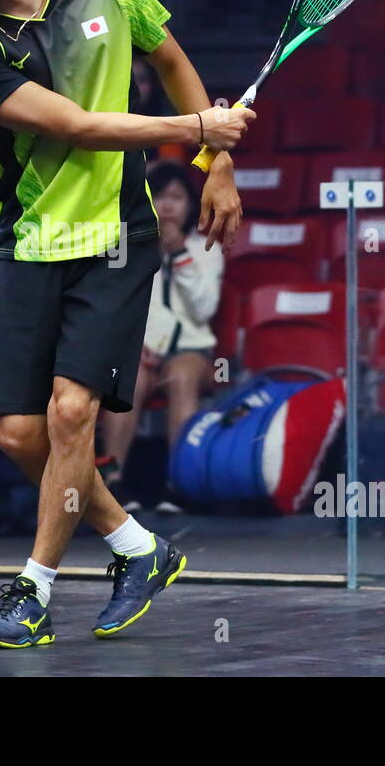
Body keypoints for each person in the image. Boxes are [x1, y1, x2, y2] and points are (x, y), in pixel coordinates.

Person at [0, 0, 251, 647]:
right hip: (30, 243)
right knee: (17, 435)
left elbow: (168, 58)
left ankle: (30, 594)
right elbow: (75, 125)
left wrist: (219, 165)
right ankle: (139, 548)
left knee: (72, 413)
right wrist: (196, 131)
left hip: (117, 238)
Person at [99, 161, 225, 514]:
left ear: (191, 205)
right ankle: (113, 480)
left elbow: (204, 308)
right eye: (160, 197)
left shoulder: (206, 248)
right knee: (130, 380)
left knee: (180, 376)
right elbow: (112, 301)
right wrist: (134, 346)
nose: (168, 206)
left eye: (178, 197)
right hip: (137, 348)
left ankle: (180, 481)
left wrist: (179, 254)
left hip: (191, 349)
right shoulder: (123, 245)